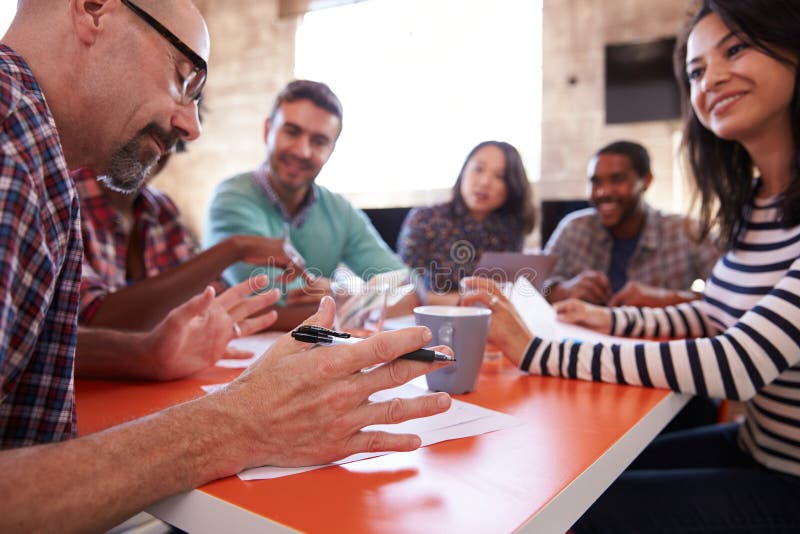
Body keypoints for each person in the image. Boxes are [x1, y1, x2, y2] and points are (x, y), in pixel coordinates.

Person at [0, 1, 451, 530]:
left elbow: (37, 341)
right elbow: (279, 305)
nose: (191, 127)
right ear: (94, 9)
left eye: (320, 140)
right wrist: (237, 424)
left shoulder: (39, 155)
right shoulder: (13, 144)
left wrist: (142, 354)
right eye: (183, 76)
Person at [462, 0, 800, 530]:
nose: (710, 78)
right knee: (575, 478)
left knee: (573, 511)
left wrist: (536, 351)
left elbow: (740, 363)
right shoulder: (756, 204)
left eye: (734, 49)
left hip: (789, 478)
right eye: (695, 70)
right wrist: (612, 321)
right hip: (758, 445)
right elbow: (713, 315)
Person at [204, 79, 407, 328]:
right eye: (292, 132)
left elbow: (405, 285)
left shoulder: (339, 209)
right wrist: (355, 299)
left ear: (331, 150)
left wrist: (340, 293)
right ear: (268, 131)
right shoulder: (232, 198)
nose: (302, 151)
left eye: (319, 141)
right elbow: (267, 302)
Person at [74, 159, 298, 332]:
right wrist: (235, 248)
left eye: (171, 137)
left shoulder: (160, 208)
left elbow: (216, 305)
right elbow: (90, 322)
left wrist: (325, 304)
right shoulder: (66, 196)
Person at [543, 140, 721, 307]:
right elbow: (530, 288)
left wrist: (667, 299)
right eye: (595, 182)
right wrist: (565, 291)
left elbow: (731, 297)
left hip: (657, 338)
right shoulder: (574, 228)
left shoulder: (685, 231)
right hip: (581, 338)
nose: (603, 192)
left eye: (617, 180)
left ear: (646, 181)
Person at [397, 140, 535, 303]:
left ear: (512, 187)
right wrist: (463, 301)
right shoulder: (425, 220)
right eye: (478, 169)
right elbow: (403, 291)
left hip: (490, 321)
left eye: (499, 176)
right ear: (463, 171)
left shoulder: (510, 229)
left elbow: (509, 292)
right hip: (430, 319)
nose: (485, 182)